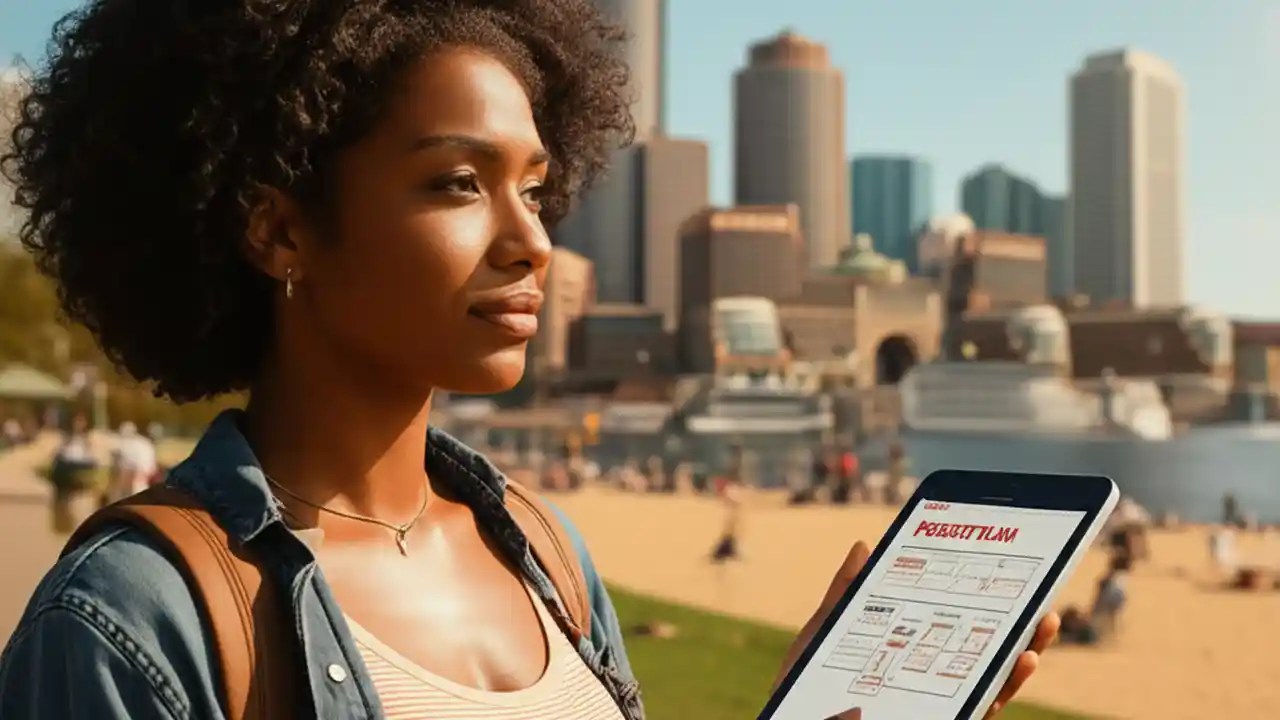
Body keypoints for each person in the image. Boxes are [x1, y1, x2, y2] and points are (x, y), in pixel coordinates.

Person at [0, 2, 1055, 718]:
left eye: (536, 189)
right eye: (459, 182)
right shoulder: (131, 621)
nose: (532, 241)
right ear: (279, 231)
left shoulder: (546, 556)